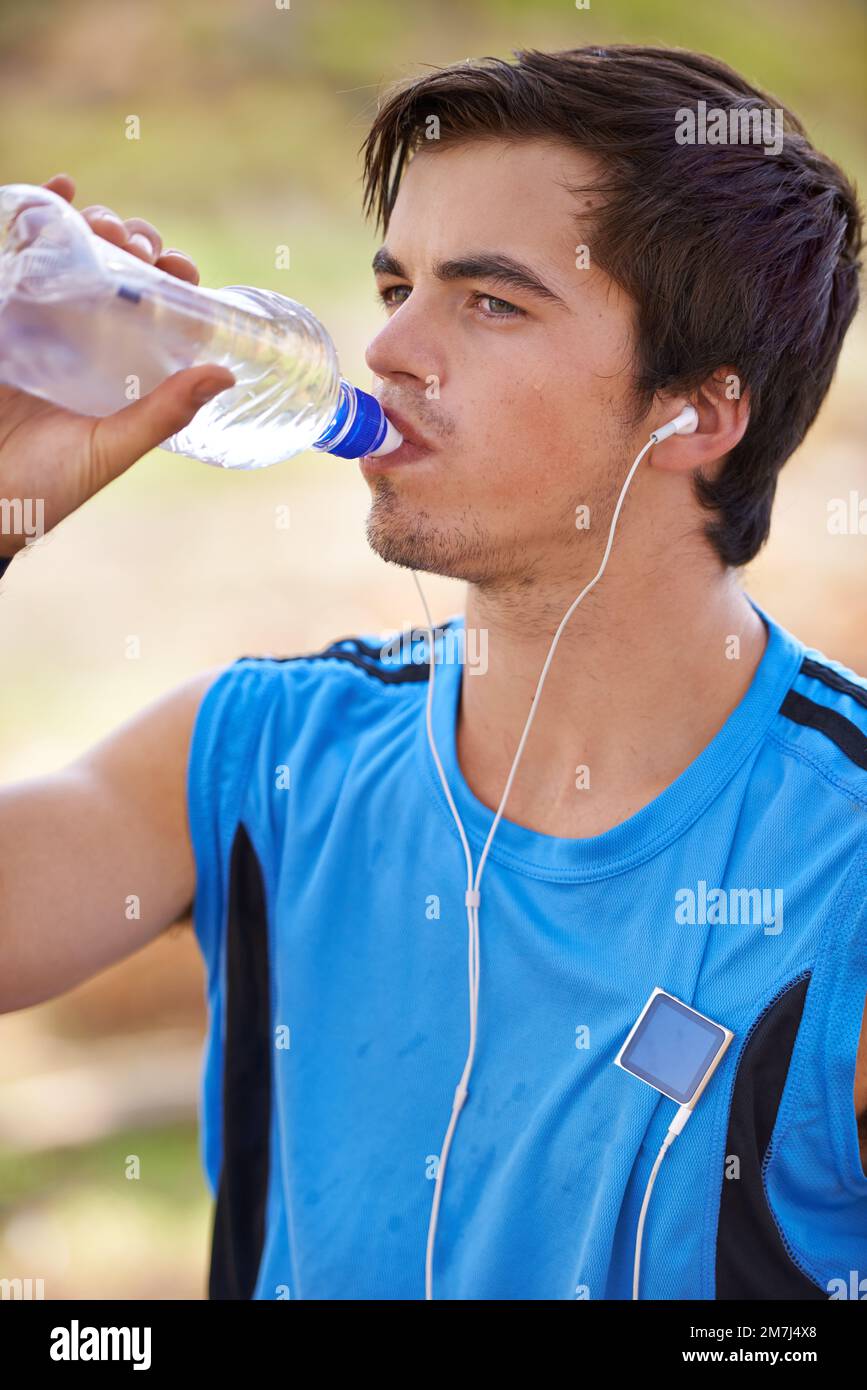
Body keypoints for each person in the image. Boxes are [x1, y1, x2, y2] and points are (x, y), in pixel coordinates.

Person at [1, 45, 865, 1301]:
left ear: (699, 411)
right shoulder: (255, 754)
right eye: (397, 284)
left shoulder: (839, 865)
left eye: (490, 301)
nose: (391, 346)